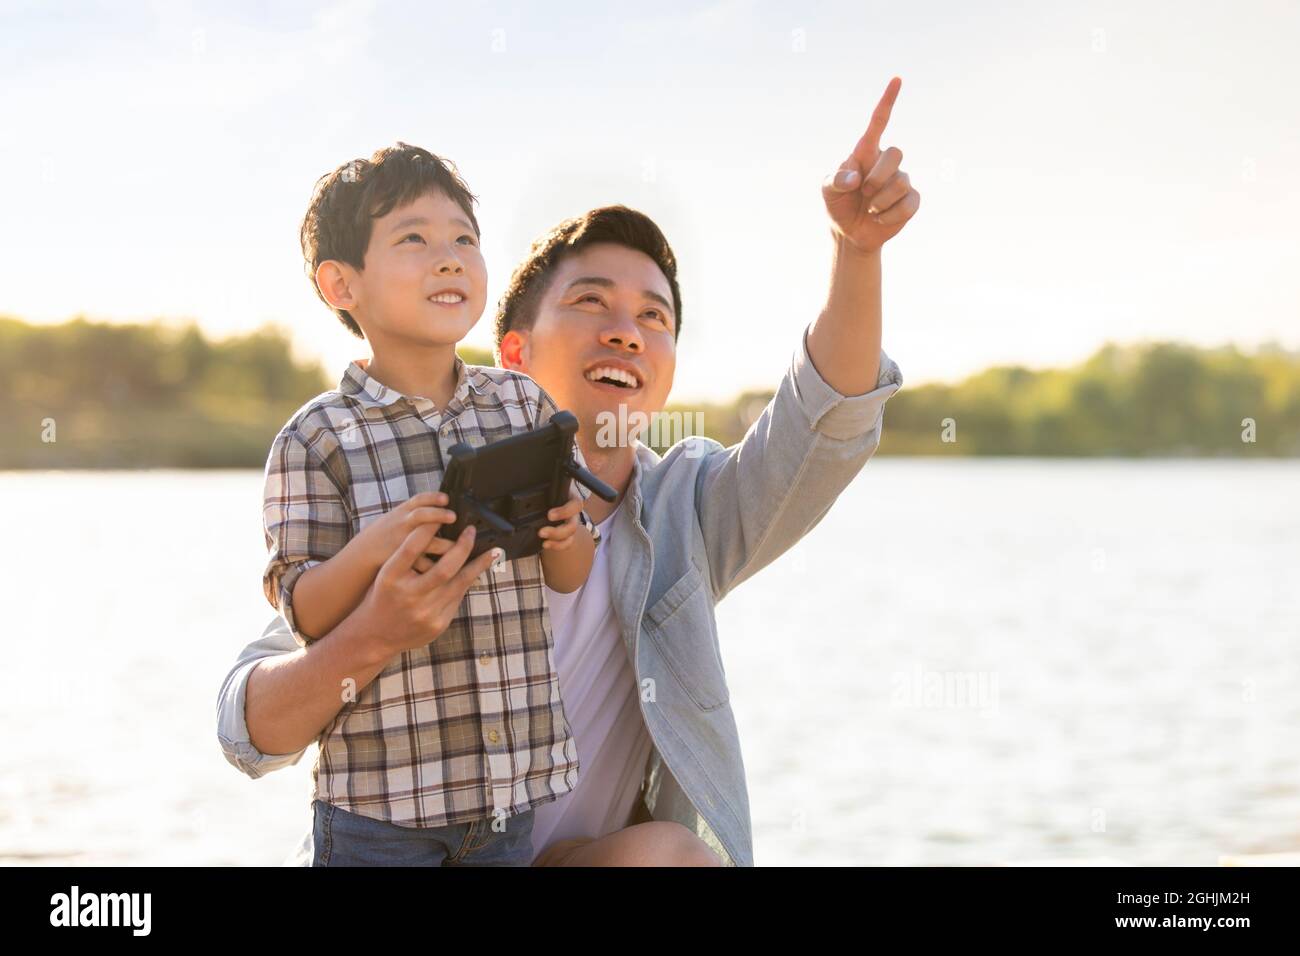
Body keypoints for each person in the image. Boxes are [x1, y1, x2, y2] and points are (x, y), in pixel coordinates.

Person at [218, 76, 919, 866]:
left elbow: (820, 429)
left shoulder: (687, 513)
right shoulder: (421, 477)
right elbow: (247, 724)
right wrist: (375, 632)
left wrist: (856, 251)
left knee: (675, 855)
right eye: (591, 302)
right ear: (512, 354)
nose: (626, 332)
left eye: (654, 316)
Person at [259, 142, 597, 866]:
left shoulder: (521, 403)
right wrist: (375, 548)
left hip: (506, 793)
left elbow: (568, 573)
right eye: (414, 239)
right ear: (341, 284)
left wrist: (570, 537)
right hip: (380, 806)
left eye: (464, 240)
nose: (449, 260)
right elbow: (304, 608)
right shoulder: (317, 438)